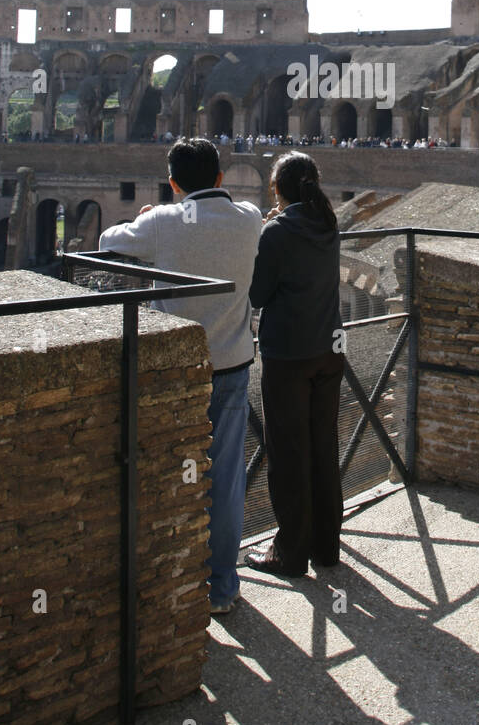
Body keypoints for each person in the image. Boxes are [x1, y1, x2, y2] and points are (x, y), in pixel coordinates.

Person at [98, 137, 262, 615]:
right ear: (219, 178)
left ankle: (165, 580)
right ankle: (221, 588)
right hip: (231, 364)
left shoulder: (162, 222)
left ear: (173, 183)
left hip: (174, 369)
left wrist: (148, 218)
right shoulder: (249, 218)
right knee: (226, 478)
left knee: (164, 468)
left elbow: (109, 242)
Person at [246, 152, 343, 578]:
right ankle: (326, 546)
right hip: (329, 349)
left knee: (288, 454)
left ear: (278, 190)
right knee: (323, 445)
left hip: (288, 354)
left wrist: (267, 232)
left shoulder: (276, 232)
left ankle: (289, 554)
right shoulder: (329, 222)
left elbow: (258, 295)